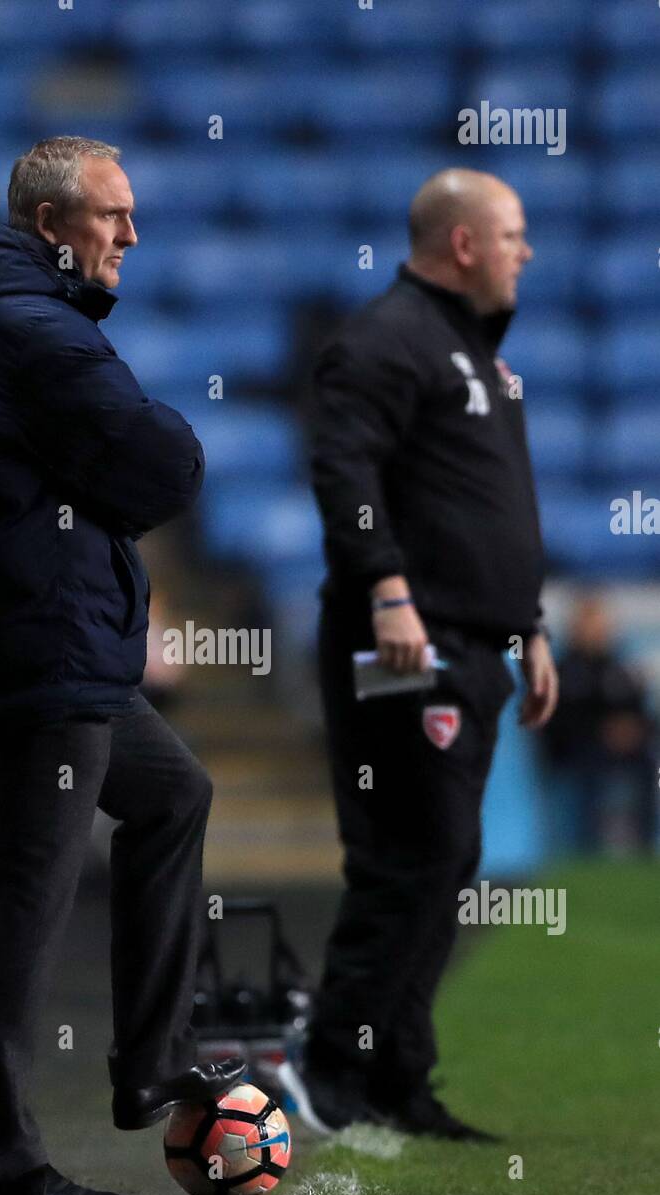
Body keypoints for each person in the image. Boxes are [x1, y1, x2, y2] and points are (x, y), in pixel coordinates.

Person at [0, 136, 244, 1195]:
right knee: (35, 893)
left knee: (174, 792)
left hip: (51, 640)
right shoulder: (31, 331)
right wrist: (150, 459)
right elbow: (162, 463)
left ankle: (151, 1061)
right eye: (112, 215)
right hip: (47, 645)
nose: (131, 236)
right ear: (51, 226)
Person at [288, 169, 559, 1139]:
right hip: (406, 638)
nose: (527, 251)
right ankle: (331, 1065)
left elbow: (491, 510)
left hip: (473, 643)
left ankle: (399, 1075)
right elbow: (342, 469)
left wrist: (528, 624)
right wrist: (387, 587)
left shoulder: (478, 357)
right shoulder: (387, 340)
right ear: (463, 244)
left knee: (447, 856)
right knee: (415, 852)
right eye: (514, 234)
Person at [543, 594, 657, 853]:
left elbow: (640, 712)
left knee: (649, 767)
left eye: (601, 621)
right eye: (590, 621)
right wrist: (602, 732)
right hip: (578, 752)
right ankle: (588, 849)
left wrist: (633, 730)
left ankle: (645, 848)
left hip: (625, 751)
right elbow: (556, 721)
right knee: (590, 771)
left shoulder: (619, 667)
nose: (597, 629)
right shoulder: (562, 669)